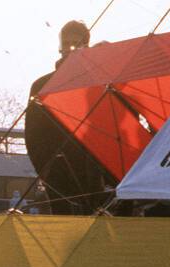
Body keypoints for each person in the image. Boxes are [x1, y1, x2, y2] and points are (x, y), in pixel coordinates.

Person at [25, 21, 108, 215]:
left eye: (76, 44)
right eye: (67, 44)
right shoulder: (42, 85)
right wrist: (46, 169)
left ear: (86, 46)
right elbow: (33, 135)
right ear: (60, 47)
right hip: (58, 170)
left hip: (91, 171)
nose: (70, 49)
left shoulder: (99, 84)